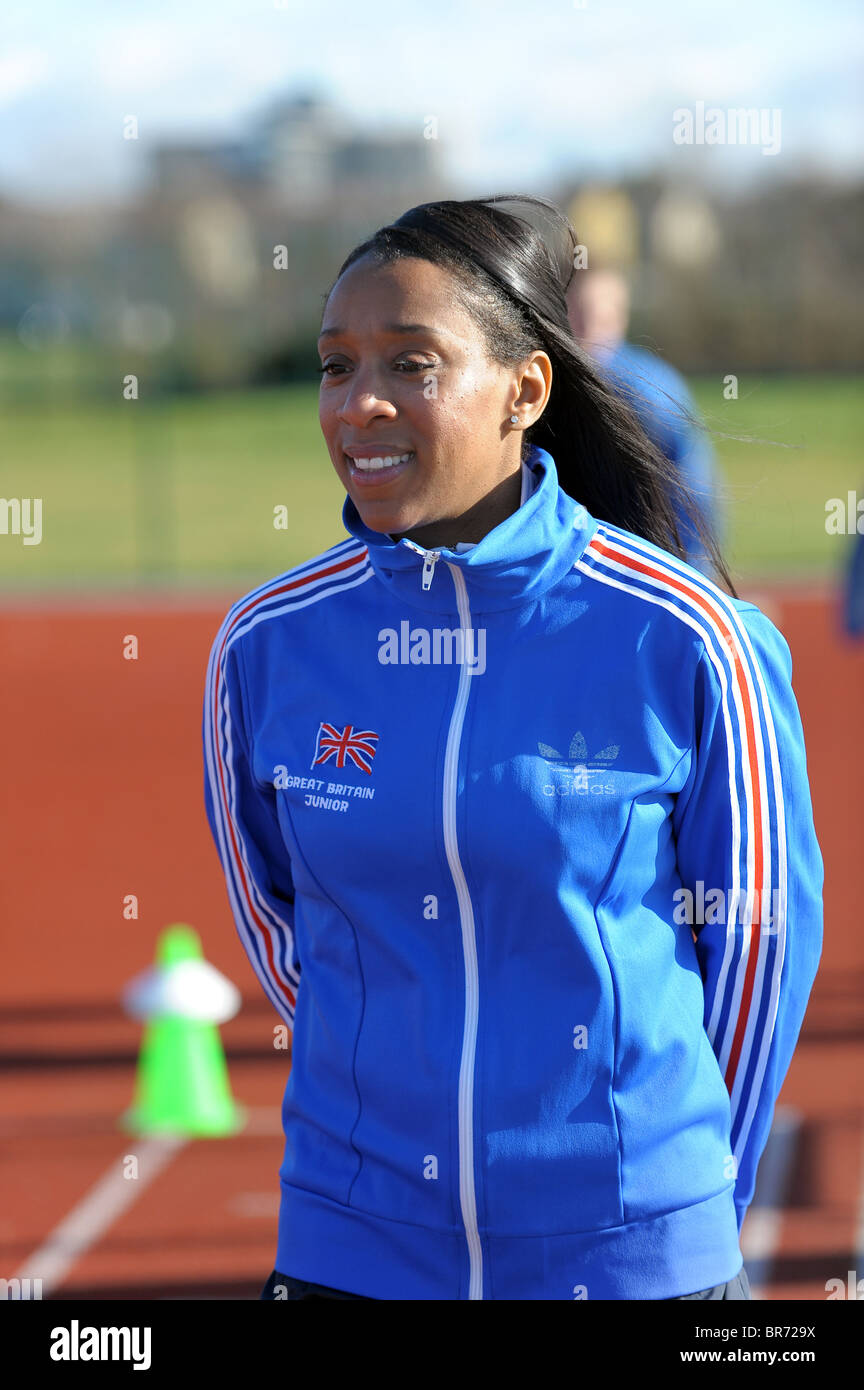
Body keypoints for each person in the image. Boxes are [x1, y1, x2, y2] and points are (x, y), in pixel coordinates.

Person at [202, 194, 823, 1301]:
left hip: (630, 1257)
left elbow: (756, 957)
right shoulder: (268, 645)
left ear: (526, 389)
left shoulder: (687, 638)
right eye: (335, 365)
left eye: (413, 363)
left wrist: (663, 1189)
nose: (361, 404)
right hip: (352, 1245)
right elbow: (286, 928)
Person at [567, 267, 724, 574]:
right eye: (577, 311)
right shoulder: (546, 380)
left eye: (599, 313)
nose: (587, 325)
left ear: (620, 316)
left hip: (644, 567)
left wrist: (692, 573)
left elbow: (693, 488)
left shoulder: (651, 392)